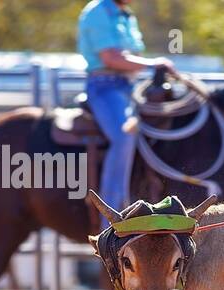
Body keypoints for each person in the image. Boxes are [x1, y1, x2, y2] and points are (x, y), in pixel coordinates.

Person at [77, 0, 176, 217]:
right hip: (105, 87)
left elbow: (130, 58)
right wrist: (153, 64)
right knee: (124, 136)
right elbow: (111, 58)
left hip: (130, 88)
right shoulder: (97, 12)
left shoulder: (126, 15)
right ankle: (112, 218)